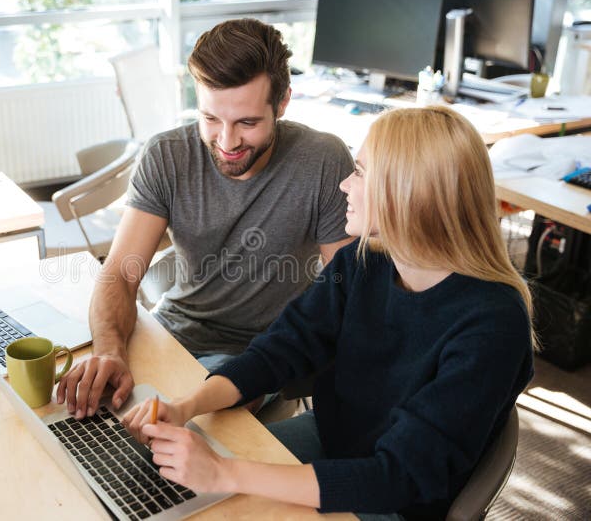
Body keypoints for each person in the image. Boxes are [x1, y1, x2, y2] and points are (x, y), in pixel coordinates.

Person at [122, 106, 535, 520]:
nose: (344, 184)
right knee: (173, 493)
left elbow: (398, 478)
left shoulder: (493, 323)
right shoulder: (362, 262)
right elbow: (282, 348)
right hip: (333, 440)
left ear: (409, 192)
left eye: (360, 172)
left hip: (394, 500)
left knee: (217, 494)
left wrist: (226, 473)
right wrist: (188, 405)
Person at [56, 18, 354, 419]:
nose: (227, 142)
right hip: (170, 333)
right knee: (87, 409)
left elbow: (344, 291)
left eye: (247, 122)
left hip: (257, 357)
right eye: (211, 119)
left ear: (282, 103)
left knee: (165, 437)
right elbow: (121, 274)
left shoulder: (322, 160)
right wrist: (109, 349)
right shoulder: (166, 156)